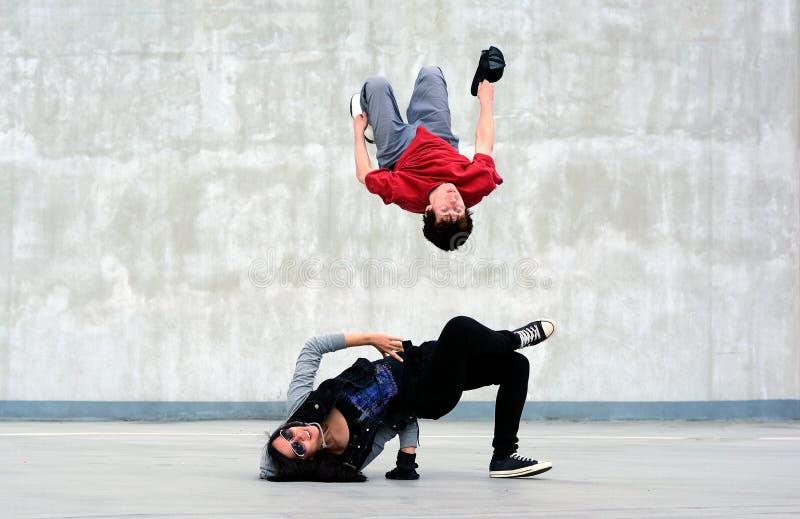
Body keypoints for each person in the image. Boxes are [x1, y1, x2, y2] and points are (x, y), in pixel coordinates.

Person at [260, 316, 555, 482]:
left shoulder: (301, 406)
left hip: (419, 359)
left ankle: (503, 457)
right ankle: (515, 338)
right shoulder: (351, 459)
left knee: (516, 367)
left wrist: (370, 338)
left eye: (287, 434)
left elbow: (312, 348)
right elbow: (398, 421)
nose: (297, 434)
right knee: (458, 328)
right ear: (308, 462)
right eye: (298, 448)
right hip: (427, 393)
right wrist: (408, 453)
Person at [351, 66, 502, 251]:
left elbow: (363, 174)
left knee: (376, 84)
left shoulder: (404, 193)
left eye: (445, 210)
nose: (453, 202)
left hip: (398, 149)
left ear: (429, 210)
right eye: (459, 210)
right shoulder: (478, 184)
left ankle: (372, 130)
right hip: (440, 138)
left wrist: (358, 131)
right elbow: (485, 144)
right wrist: (486, 101)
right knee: (431, 73)